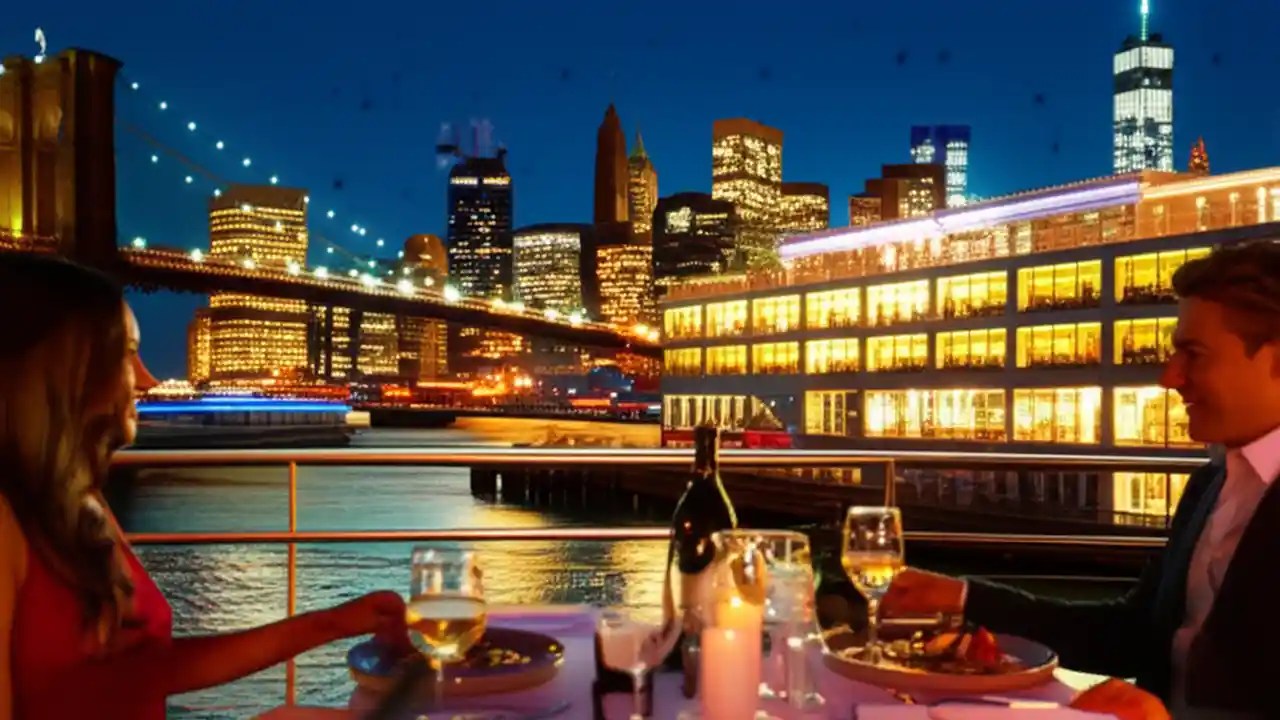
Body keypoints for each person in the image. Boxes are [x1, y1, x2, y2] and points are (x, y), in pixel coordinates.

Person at [0, 254, 413, 720]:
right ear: (61, 370)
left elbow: (142, 671)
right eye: (125, 353)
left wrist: (332, 622)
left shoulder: (76, 501)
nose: (146, 380)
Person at [883, 240, 1280, 718]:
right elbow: (1133, 634)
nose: (1169, 377)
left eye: (1193, 354)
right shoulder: (1209, 487)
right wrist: (965, 598)